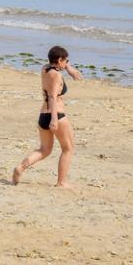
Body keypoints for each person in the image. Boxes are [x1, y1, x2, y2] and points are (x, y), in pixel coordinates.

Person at [12, 46, 85, 188]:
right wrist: (54, 119)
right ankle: (61, 182)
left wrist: (69, 68)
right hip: (56, 114)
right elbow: (52, 96)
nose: (67, 63)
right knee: (68, 148)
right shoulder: (56, 76)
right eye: (66, 61)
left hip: (42, 116)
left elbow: (56, 66)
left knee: (44, 150)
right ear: (59, 60)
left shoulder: (45, 69)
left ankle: (20, 167)